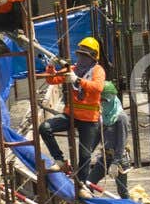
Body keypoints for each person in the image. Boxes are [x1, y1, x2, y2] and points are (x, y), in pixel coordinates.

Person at [39, 37, 106, 175]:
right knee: (45, 128)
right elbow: (52, 80)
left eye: (85, 56)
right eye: (80, 55)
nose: (82, 58)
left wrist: (78, 81)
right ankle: (60, 160)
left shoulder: (97, 70)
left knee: (85, 155)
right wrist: (51, 66)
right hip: (71, 114)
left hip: (89, 119)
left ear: (93, 57)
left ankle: (81, 184)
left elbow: (98, 87)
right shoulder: (73, 69)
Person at [94, 80, 131, 198]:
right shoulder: (103, 116)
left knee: (122, 191)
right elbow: (97, 137)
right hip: (105, 157)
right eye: (101, 100)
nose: (102, 103)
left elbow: (121, 143)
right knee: (88, 183)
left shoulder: (121, 118)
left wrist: (115, 163)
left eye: (105, 100)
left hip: (118, 159)